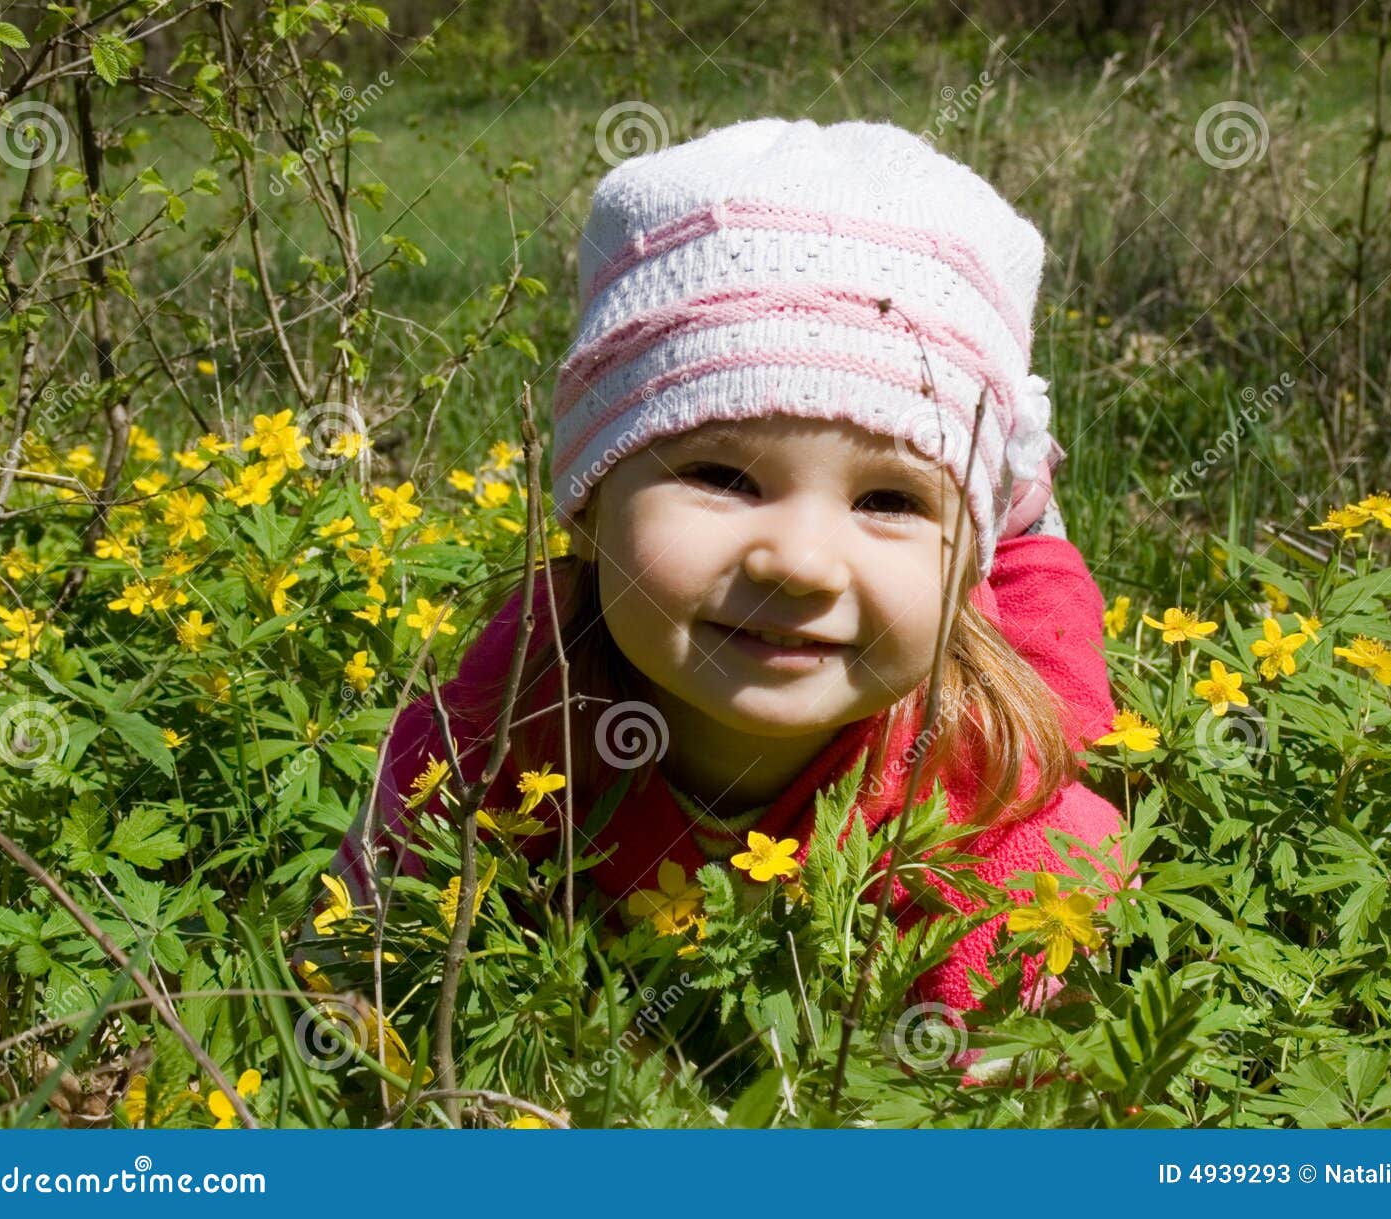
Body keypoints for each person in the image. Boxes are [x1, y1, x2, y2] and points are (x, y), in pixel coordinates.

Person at [302, 116, 1127, 1020]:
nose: (801, 562)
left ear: (963, 563)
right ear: (588, 504)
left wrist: (978, 1045)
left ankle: (1022, 523)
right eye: (722, 478)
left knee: (1066, 708)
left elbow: (1020, 1039)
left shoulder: (982, 782)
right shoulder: (520, 699)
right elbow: (376, 904)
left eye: (890, 498)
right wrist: (349, 1000)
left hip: (1001, 661)